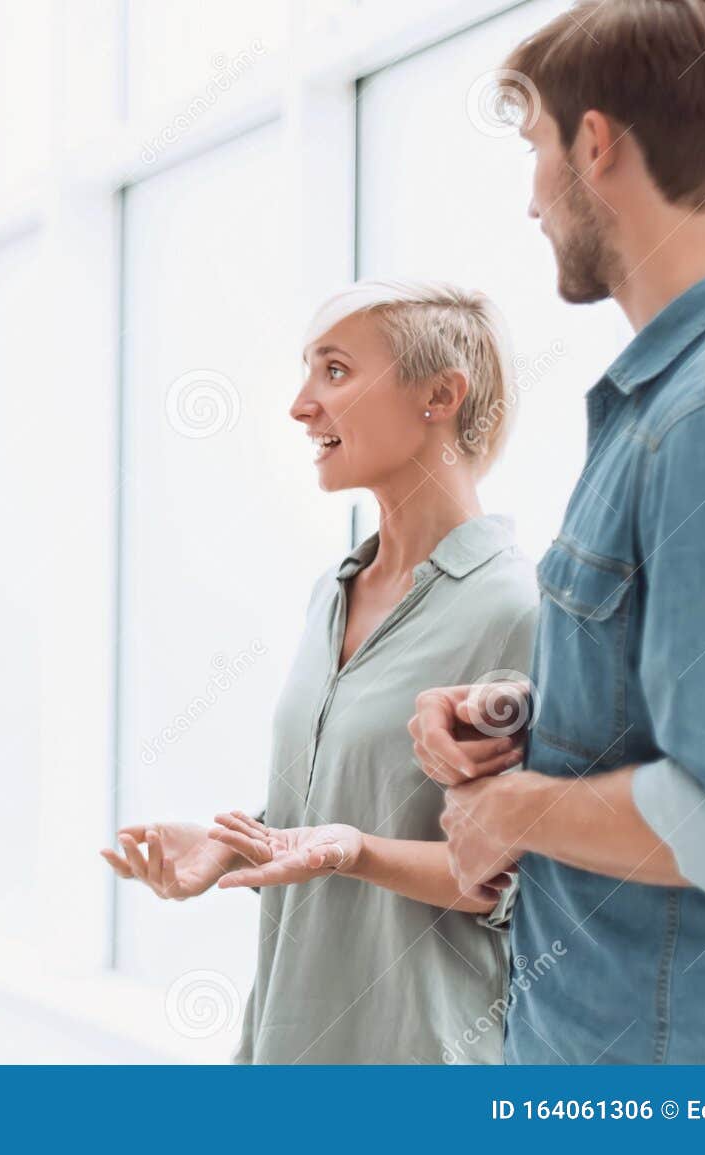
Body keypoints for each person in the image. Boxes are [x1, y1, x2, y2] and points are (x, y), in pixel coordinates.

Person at [412, 0, 705, 1062]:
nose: (532, 199)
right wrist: (525, 716)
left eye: (537, 148)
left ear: (596, 143)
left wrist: (510, 810)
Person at [103, 281, 537, 1063]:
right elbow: (346, 806)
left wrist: (356, 850)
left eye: (334, 371)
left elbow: (518, 878)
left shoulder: (516, 610)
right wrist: (234, 844)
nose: (302, 406)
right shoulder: (331, 594)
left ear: (440, 395)